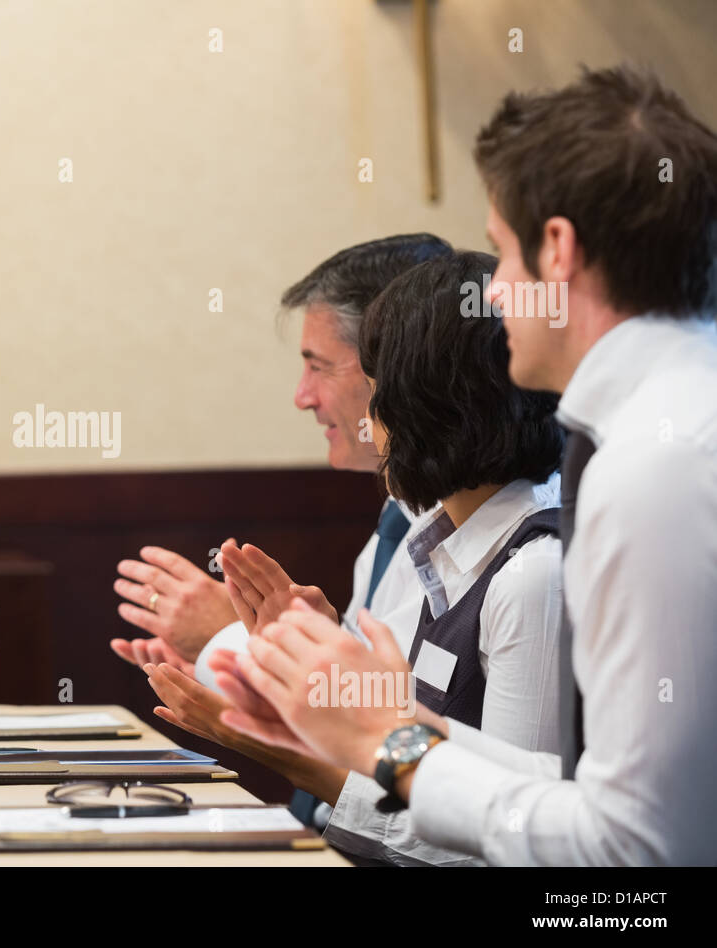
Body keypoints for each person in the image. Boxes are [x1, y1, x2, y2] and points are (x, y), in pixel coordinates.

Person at [216, 64, 717, 865]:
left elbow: (635, 857)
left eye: (501, 254)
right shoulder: (661, 420)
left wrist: (396, 746)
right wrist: (392, 731)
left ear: (557, 251)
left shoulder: (658, 461)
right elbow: (591, 794)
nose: (496, 292)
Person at [202, 250, 565, 864]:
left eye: (377, 392)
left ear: (428, 406)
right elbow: (423, 757)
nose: (371, 422)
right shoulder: (446, 550)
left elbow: (506, 842)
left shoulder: (533, 573)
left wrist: (285, 747)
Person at [110, 235, 451, 828]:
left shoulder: (506, 550)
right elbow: (353, 727)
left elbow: (427, 778)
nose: (301, 397)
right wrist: (232, 665)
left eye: (318, 366)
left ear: (391, 367)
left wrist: (237, 638)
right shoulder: (397, 520)